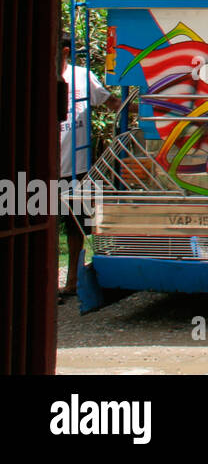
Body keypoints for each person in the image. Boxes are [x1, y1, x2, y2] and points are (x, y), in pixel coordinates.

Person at [59, 33, 119, 300]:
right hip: (44, 170)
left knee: (78, 227)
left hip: (78, 165)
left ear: (64, 51)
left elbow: (110, 102)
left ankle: (72, 282)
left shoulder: (82, 76)